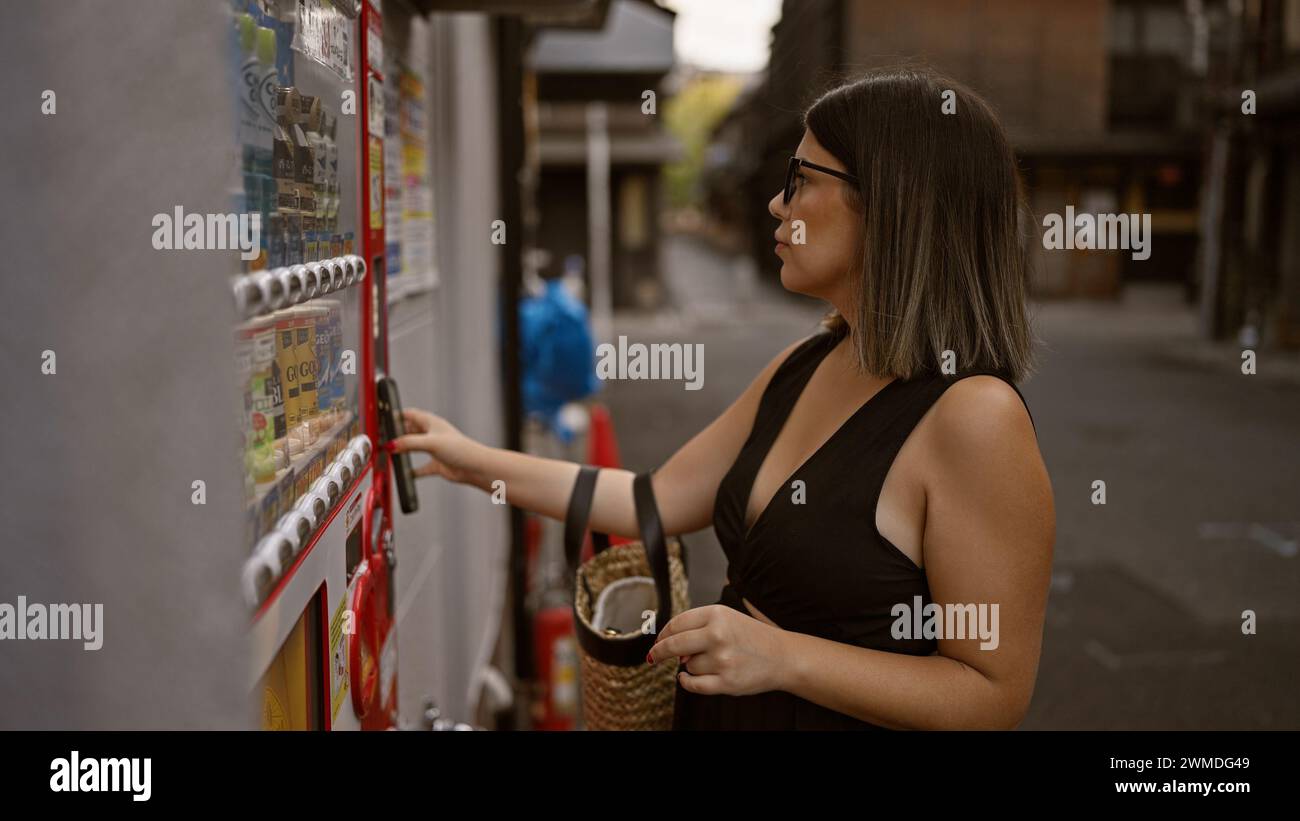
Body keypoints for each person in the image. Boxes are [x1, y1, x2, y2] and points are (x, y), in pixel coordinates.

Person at [393, 67, 1055, 730]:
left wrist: (784, 656)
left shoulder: (975, 416)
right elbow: (652, 498)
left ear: (893, 204)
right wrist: (468, 460)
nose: (776, 203)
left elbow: (991, 693)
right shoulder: (809, 361)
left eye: (802, 179)